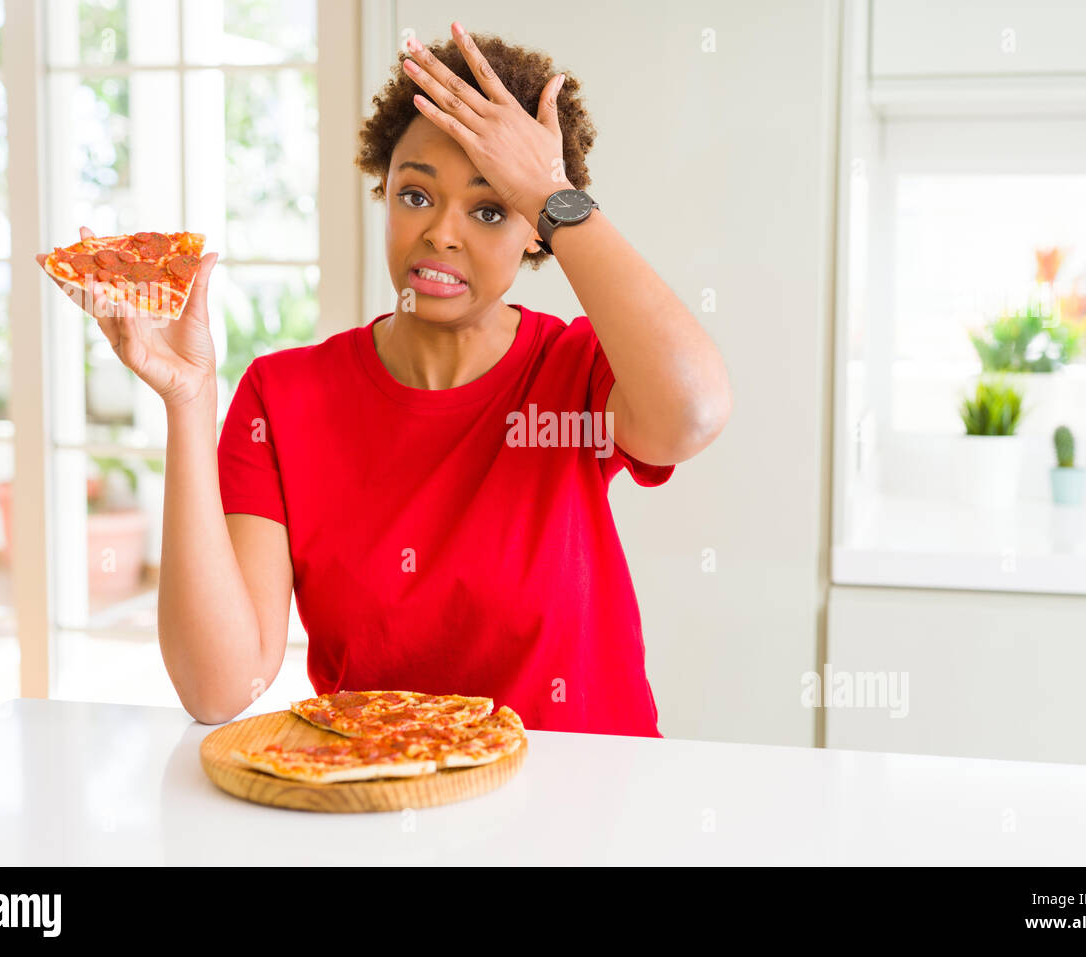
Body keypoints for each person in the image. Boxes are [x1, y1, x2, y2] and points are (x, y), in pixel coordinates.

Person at [42, 23, 730, 736]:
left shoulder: (575, 374)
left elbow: (696, 409)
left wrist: (548, 191)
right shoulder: (283, 399)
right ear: (384, 191)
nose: (441, 233)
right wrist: (188, 404)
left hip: (585, 815)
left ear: (535, 232)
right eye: (415, 195)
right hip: (382, 803)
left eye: (491, 208)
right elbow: (219, 689)